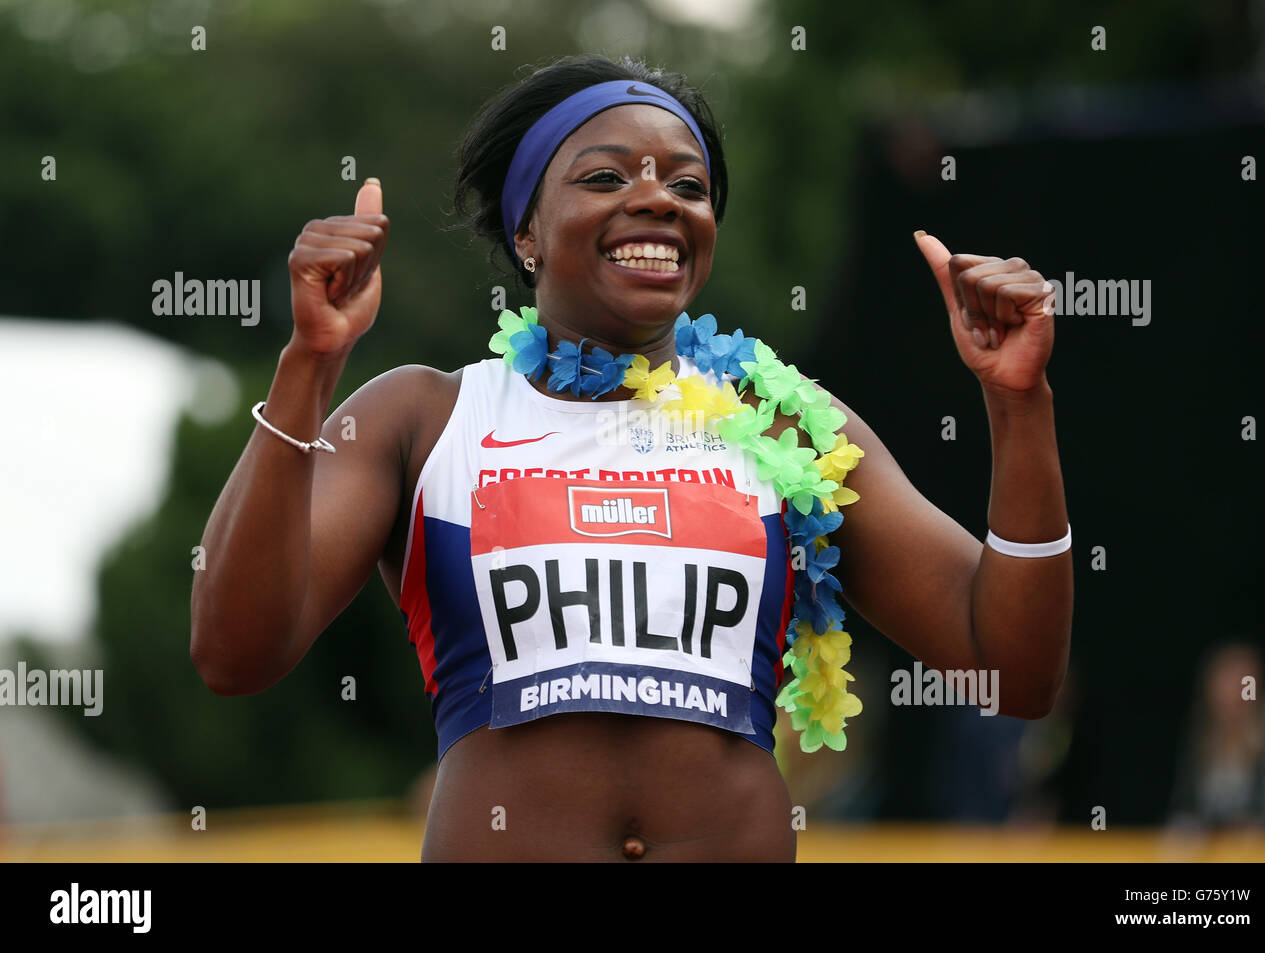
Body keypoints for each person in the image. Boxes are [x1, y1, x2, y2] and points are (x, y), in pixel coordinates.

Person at [189, 54, 1072, 862]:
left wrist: (1017, 404)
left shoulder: (783, 422)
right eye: (606, 176)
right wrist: (310, 362)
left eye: (687, 185)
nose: (658, 200)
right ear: (526, 229)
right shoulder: (425, 416)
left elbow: (1014, 669)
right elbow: (235, 651)